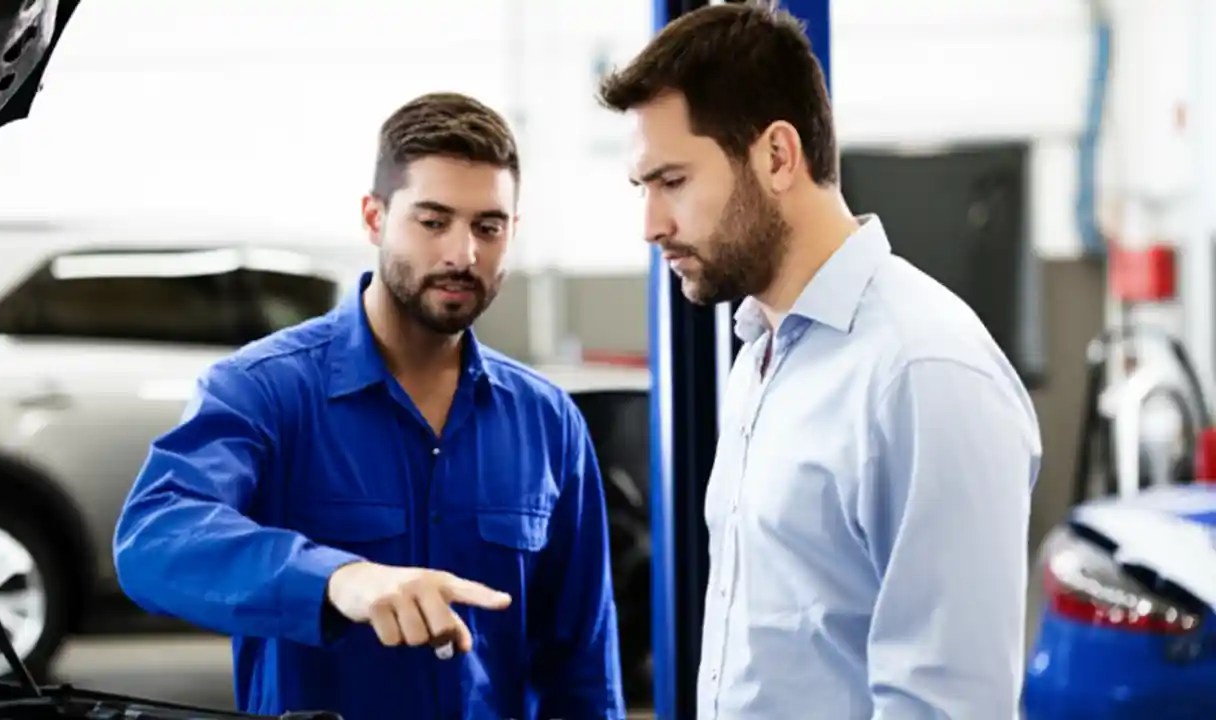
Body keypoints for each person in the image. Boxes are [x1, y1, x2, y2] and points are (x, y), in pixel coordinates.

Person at [113, 91, 626, 720]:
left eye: (487, 227)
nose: (462, 255)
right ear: (374, 218)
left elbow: (581, 670)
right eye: (433, 221)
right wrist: (338, 580)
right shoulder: (265, 390)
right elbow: (152, 540)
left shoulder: (549, 423)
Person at [599, 4, 1040, 719]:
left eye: (672, 181)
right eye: (641, 187)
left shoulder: (922, 372)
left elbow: (946, 704)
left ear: (777, 155)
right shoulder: (762, 355)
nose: (651, 225)